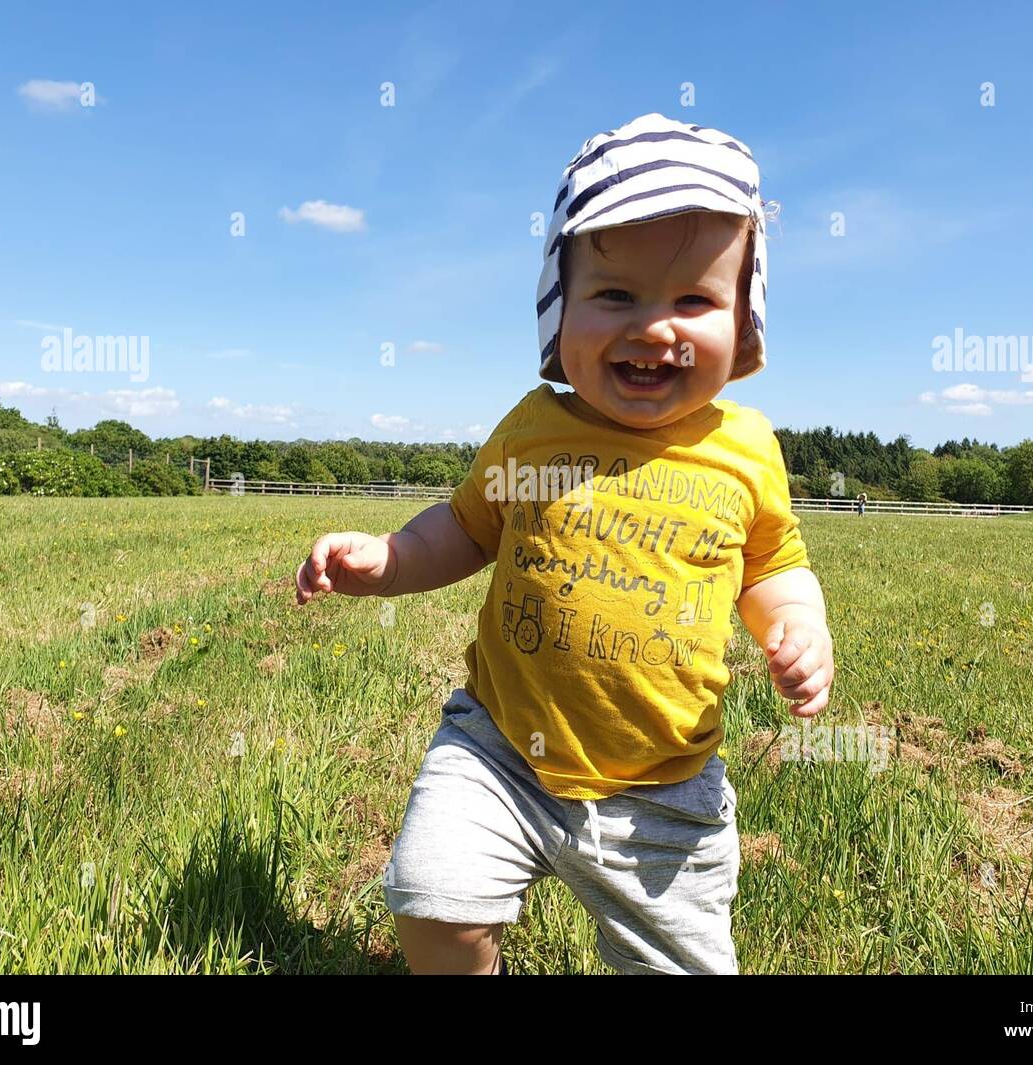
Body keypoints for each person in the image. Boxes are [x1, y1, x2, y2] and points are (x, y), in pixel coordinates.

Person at [295, 113, 834, 975]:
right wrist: (385, 559)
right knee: (431, 891)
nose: (654, 327)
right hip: (502, 744)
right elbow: (465, 528)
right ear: (560, 304)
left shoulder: (744, 448)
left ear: (744, 319)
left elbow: (774, 565)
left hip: (661, 784)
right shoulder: (534, 430)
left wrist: (797, 628)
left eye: (693, 299)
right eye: (615, 295)